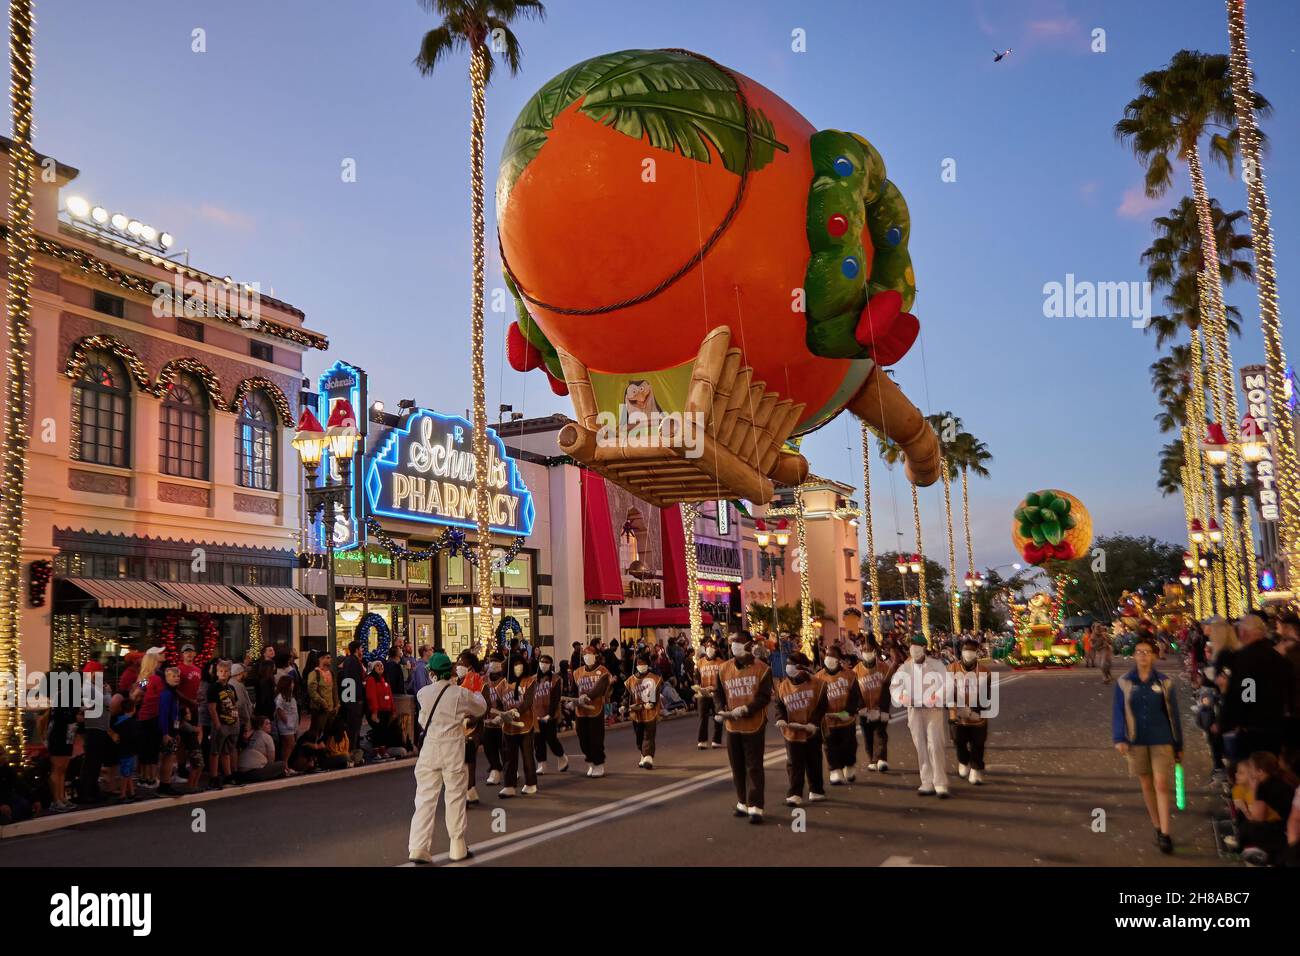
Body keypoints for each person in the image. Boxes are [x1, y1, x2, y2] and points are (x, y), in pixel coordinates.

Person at [408, 651, 488, 864]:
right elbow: (481, 708)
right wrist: (476, 690)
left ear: (432, 673)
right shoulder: (459, 693)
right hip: (452, 748)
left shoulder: (423, 694)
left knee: (424, 798)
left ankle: (418, 846)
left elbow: (423, 722)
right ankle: (457, 845)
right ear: (451, 671)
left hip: (430, 750)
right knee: (454, 796)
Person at [1112, 634, 1184, 855]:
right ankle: (1156, 825)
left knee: (1161, 784)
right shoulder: (1124, 682)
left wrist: (1179, 744)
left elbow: (1174, 714)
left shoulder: (1164, 682)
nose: (1143, 656)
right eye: (1139, 652)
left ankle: (1165, 832)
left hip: (1162, 737)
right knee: (1146, 784)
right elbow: (1118, 711)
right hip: (1136, 739)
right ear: (1134, 656)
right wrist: (1119, 738)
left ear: (1154, 655)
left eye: (1147, 652)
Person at [714, 635, 772, 824]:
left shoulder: (762, 669)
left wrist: (747, 709)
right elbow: (718, 693)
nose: (734, 646)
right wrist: (720, 710)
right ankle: (742, 802)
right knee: (737, 766)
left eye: (738, 642)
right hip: (732, 725)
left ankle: (756, 806)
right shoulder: (723, 669)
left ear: (748, 645)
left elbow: (764, 697)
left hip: (753, 723)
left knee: (753, 766)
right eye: (732, 643)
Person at [1222, 613, 1294, 763]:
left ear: (1243, 633)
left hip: (1254, 728)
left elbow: (1247, 694)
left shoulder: (1245, 658)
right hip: (1277, 725)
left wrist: (1234, 721)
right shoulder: (1279, 658)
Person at [890, 635, 951, 799]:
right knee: (921, 746)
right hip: (914, 710)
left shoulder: (936, 665)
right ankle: (926, 781)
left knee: (935, 743)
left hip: (933, 710)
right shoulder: (905, 668)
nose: (914, 649)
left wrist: (936, 697)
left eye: (918, 645)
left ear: (924, 647)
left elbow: (947, 684)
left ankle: (940, 782)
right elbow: (895, 686)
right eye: (912, 646)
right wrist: (901, 696)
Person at [774, 652, 827, 806]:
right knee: (794, 762)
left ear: (802, 667)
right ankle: (795, 793)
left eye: (792, 664)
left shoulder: (818, 684)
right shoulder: (782, 686)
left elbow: (822, 706)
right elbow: (779, 706)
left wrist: (813, 723)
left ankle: (816, 789)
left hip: (811, 729)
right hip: (792, 731)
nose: (789, 667)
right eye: (788, 663)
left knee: (813, 760)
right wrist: (781, 719)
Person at [1228, 751, 1297, 865]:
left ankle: (1258, 853)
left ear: (1260, 772)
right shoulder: (1281, 779)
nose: (1250, 773)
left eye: (1252, 769)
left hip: (1288, 832)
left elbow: (1257, 819)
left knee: (1249, 827)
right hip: (1287, 826)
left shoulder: (1264, 786)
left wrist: (1255, 791)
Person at [815, 646, 862, 785]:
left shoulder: (849, 675)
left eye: (833, 655)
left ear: (839, 659)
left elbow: (855, 696)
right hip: (828, 720)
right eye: (827, 655)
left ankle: (849, 765)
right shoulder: (818, 677)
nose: (829, 658)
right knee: (830, 745)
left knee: (849, 744)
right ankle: (835, 769)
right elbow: (816, 699)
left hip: (846, 718)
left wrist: (849, 711)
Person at [948, 637, 992, 785]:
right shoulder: (951, 669)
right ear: (961, 651)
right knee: (959, 742)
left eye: (972, 650)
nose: (969, 653)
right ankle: (963, 760)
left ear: (977, 652)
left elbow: (987, 696)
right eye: (966, 649)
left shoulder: (985, 672)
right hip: (957, 716)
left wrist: (974, 711)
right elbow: (946, 692)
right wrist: (957, 708)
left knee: (978, 744)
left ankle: (975, 769)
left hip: (977, 716)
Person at [494, 656, 538, 797]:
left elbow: (528, 701)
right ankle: (509, 785)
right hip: (508, 727)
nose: (518, 667)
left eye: (520, 664)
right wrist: (500, 715)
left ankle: (530, 783)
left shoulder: (529, 682)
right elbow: (499, 704)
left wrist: (517, 711)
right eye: (515, 664)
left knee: (527, 756)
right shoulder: (502, 685)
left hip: (525, 724)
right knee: (508, 757)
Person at [571, 644, 612, 777]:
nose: (587, 657)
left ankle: (599, 763)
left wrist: (587, 697)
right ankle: (590, 761)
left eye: (590, 654)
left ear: (595, 656)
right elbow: (573, 691)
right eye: (585, 655)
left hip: (595, 709)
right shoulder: (577, 672)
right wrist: (573, 701)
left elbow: (599, 688)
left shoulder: (603, 671)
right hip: (581, 711)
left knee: (596, 738)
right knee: (583, 738)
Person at [855, 637, 894, 772]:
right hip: (865, 710)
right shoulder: (856, 671)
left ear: (875, 651)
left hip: (880, 708)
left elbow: (888, 688)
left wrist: (883, 708)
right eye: (864, 649)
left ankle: (882, 759)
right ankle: (872, 759)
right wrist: (861, 707)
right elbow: (855, 692)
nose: (866, 652)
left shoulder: (883, 667)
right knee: (868, 735)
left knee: (881, 733)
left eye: (869, 649)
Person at [624, 651, 663, 769]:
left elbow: (656, 693)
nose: (641, 665)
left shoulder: (654, 678)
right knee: (639, 736)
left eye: (643, 663)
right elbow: (627, 696)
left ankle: (648, 757)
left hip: (649, 711)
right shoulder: (631, 680)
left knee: (649, 735)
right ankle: (643, 753)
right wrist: (624, 705)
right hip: (636, 713)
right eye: (639, 663)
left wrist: (652, 703)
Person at [207, 660, 241, 790]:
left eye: (226, 671)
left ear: (229, 673)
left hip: (232, 723)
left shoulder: (231, 687)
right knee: (215, 751)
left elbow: (235, 704)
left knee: (227, 751)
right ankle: (213, 777)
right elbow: (212, 708)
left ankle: (228, 775)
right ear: (217, 673)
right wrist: (217, 724)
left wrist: (236, 720)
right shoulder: (214, 687)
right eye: (221, 671)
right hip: (221, 723)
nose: (223, 673)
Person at [532, 653, 568, 774]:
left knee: (551, 739)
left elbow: (555, 698)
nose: (544, 664)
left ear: (551, 664)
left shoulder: (555, 679)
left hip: (550, 715)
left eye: (547, 662)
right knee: (538, 741)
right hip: (536, 715)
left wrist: (550, 714)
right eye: (542, 662)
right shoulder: (533, 680)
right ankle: (541, 764)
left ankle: (561, 757)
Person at [692, 638, 725, 750]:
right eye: (708, 646)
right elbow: (696, 676)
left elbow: (724, 678)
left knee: (718, 717)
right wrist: (697, 686)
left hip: (716, 693)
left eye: (712, 646)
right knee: (703, 717)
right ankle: (702, 740)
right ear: (705, 648)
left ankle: (716, 740)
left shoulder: (721, 662)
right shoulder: (700, 662)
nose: (710, 648)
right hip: (703, 693)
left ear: (716, 649)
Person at [481, 653, 507, 784]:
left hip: (502, 722)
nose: (492, 664)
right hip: (488, 722)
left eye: (496, 662)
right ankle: (495, 770)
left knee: (504, 748)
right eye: (491, 662)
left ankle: (510, 770)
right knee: (489, 747)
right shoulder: (484, 681)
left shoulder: (505, 682)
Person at [237, 716, 287, 782]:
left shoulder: (251, 735)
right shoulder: (267, 737)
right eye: (266, 724)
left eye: (269, 723)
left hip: (241, 773)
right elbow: (271, 760)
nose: (270, 725)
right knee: (282, 764)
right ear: (260, 726)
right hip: (253, 772)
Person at [340, 641, 367, 759]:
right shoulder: (352, 662)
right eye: (361, 648)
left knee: (355, 726)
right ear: (356, 649)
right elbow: (352, 681)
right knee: (353, 727)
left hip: (353, 699)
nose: (363, 650)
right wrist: (356, 698)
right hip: (353, 700)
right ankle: (352, 751)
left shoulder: (351, 661)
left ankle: (354, 748)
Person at [365, 660, 396, 757]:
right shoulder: (371, 679)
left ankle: (383, 750)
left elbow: (390, 695)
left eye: (381, 665)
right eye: (377, 666)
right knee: (377, 731)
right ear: (373, 668)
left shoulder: (385, 679)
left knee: (383, 731)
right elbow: (371, 696)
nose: (380, 667)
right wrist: (374, 712)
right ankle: (376, 751)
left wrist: (393, 709)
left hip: (386, 710)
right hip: (377, 710)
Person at [307, 650, 339, 736]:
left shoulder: (331, 673)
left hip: (331, 710)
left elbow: (334, 690)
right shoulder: (314, 673)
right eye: (328, 658)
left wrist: (337, 704)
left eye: (330, 658)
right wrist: (323, 702)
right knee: (316, 733)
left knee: (329, 734)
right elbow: (312, 691)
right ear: (321, 659)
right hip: (319, 710)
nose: (330, 660)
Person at [274, 675, 299, 768]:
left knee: (287, 745)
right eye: (291, 683)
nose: (293, 685)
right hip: (286, 726)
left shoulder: (290, 695)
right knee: (290, 744)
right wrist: (287, 722)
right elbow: (279, 709)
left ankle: (285, 765)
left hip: (292, 724)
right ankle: (285, 764)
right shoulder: (281, 697)